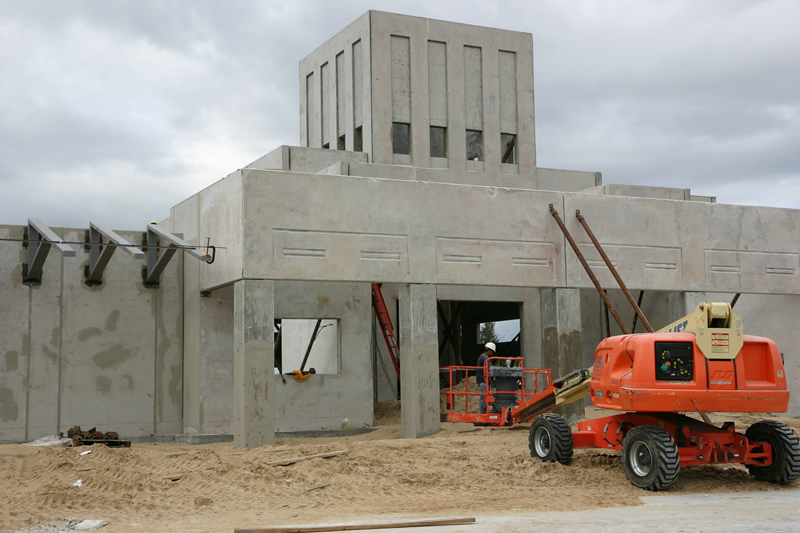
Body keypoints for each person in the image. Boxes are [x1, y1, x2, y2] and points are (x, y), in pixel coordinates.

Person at [476, 342, 496, 414]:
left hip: (483, 380)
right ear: (489, 350)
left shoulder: (483, 357)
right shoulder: (485, 357)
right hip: (483, 380)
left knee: (484, 396)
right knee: (483, 397)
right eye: (492, 352)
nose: (492, 354)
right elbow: (489, 368)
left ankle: (484, 412)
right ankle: (483, 413)